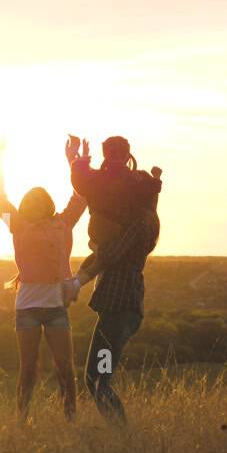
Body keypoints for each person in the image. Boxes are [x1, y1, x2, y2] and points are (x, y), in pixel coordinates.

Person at [64, 135, 162, 422]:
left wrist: (76, 281)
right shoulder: (142, 220)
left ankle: (121, 434)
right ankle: (118, 433)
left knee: (98, 380)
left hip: (120, 309)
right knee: (96, 378)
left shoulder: (138, 226)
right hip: (119, 308)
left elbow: (109, 255)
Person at [0, 140, 85, 422]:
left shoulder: (63, 222)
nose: (32, 205)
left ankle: (71, 420)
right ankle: (22, 420)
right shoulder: (17, 224)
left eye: (38, 201)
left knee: (65, 368)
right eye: (28, 202)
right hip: (28, 308)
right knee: (28, 369)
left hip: (57, 306)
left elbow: (81, 197)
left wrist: (74, 161)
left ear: (48, 205)